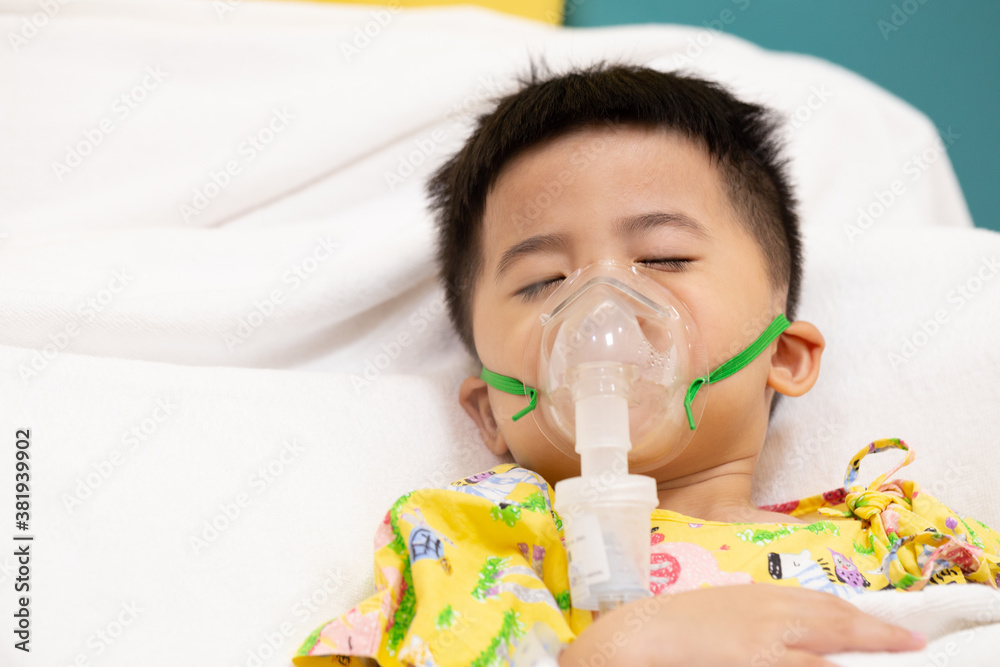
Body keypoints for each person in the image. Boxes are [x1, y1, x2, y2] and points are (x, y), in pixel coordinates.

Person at [292, 64, 1000, 666]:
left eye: (663, 258)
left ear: (782, 355)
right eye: (542, 280)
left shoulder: (903, 540)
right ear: (488, 411)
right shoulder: (465, 549)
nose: (603, 305)